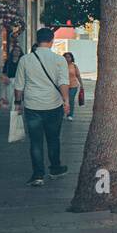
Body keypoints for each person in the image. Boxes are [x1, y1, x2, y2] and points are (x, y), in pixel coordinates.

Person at [13, 28, 70, 187]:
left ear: (37, 40)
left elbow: (19, 86)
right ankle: (55, 168)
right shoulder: (59, 60)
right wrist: (66, 101)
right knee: (53, 139)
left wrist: (18, 104)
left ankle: (38, 175)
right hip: (54, 105)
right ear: (52, 40)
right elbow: (63, 82)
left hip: (32, 106)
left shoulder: (25, 60)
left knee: (35, 142)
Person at [64, 52, 86, 120]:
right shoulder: (61, 65)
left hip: (73, 86)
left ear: (71, 58)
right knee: (63, 100)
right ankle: (62, 113)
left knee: (71, 100)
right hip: (63, 86)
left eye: (69, 57)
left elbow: (78, 76)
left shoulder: (74, 66)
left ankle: (70, 115)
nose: (67, 58)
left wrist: (81, 85)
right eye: (66, 57)